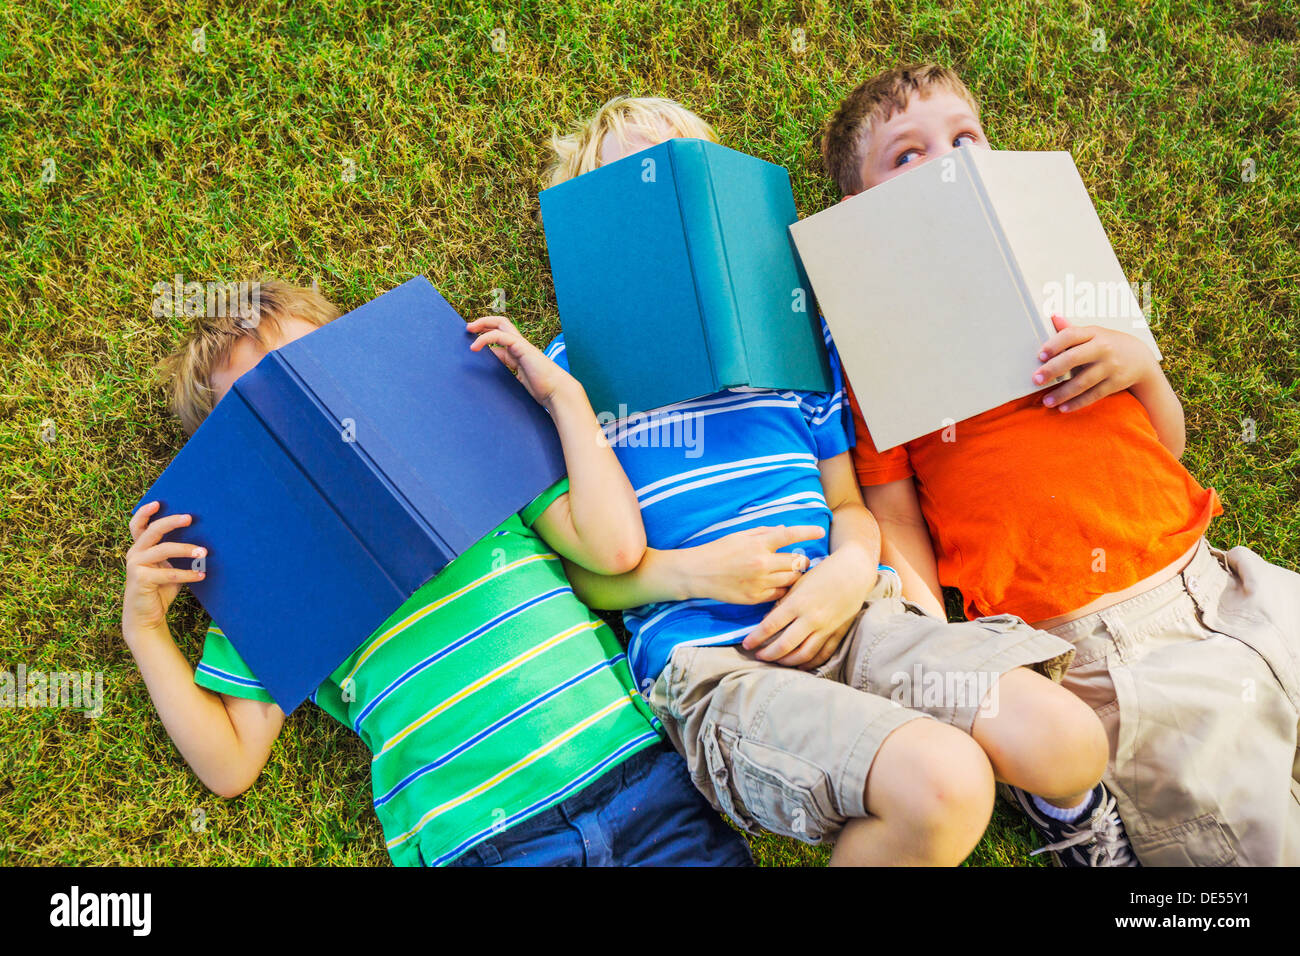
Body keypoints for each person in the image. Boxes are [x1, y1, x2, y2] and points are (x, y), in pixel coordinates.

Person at [539, 97, 1124, 866]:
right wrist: (688, 573)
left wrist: (850, 572)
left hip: (859, 620)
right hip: (718, 661)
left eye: (686, 167)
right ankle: (896, 765)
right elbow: (575, 576)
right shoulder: (574, 370)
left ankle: (1068, 812)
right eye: (635, 179)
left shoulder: (789, 335)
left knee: (1070, 741)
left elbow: (848, 505)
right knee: (945, 787)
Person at [820, 63, 1300, 865]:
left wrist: (1140, 366)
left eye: (964, 138)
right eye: (906, 155)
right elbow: (895, 514)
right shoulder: (880, 353)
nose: (947, 160)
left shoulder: (1061, 285)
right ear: (855, 215)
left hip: (1226, 582)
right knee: (1248, 836)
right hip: (1108, 649)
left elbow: (1162, 444)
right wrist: (937, 649)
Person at [122, 279, 753, 866]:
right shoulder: (268, 579)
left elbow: (614, 549)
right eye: (262, 409)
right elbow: (231, 763)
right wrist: (146, 630)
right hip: (486, 842)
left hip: (639, 777)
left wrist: (566, 396)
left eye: (309, 369)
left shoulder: (468, 447)